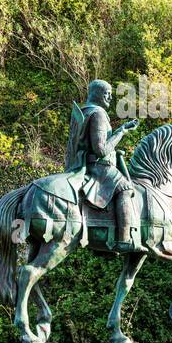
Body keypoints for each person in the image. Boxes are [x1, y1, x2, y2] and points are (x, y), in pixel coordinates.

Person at [65, 80, 139, 249]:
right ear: (97, 93)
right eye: (107, 93)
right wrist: (121, 132)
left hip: (85, 164)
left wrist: (122, 129)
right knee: (125, 188)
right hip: (99, 167)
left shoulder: (85, 111)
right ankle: (124, 240)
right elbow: (101, 150)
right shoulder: (98, 113)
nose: (110, 98)